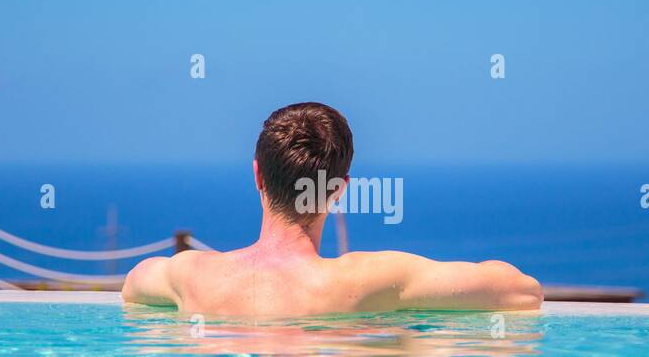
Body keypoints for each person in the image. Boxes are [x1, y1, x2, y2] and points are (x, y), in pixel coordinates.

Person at [122, 102, 542, 315]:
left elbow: (133, 284)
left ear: (258, 177)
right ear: (339, 190)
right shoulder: (371, 280)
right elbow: (522, 291)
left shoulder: (191, 274)